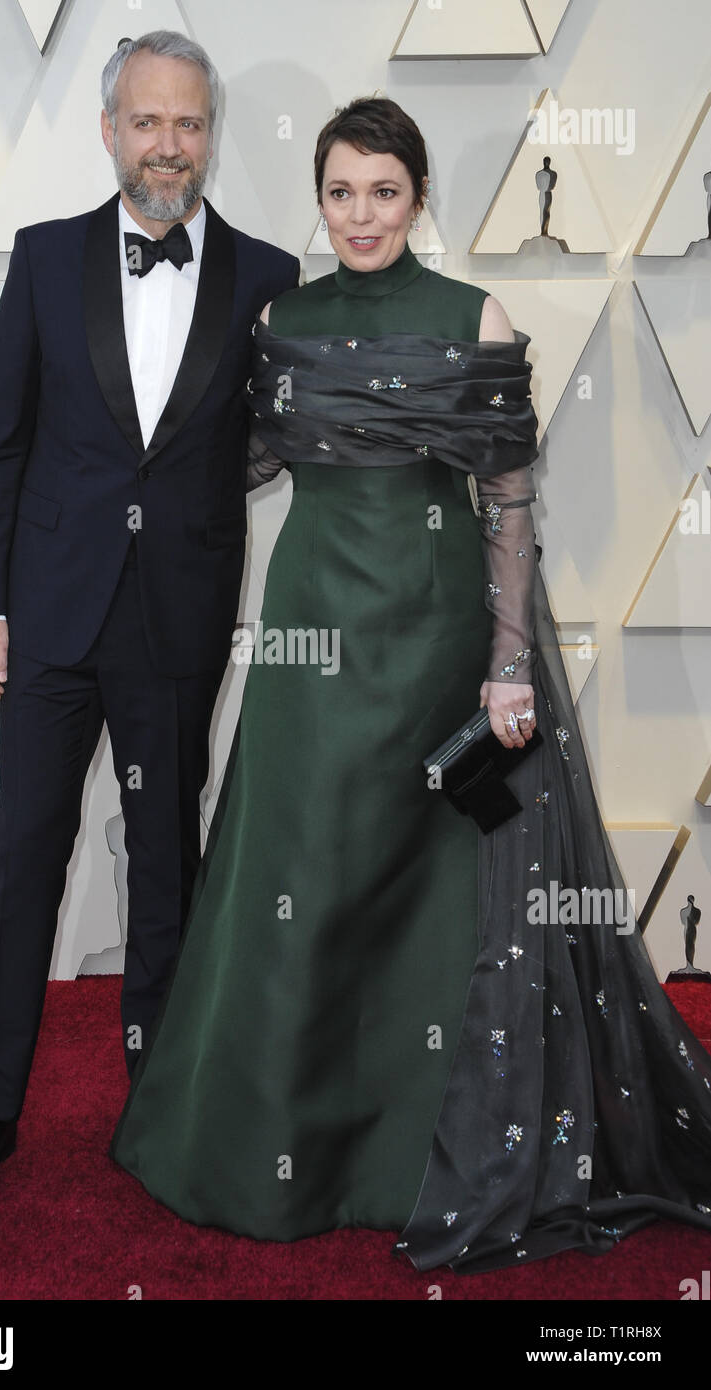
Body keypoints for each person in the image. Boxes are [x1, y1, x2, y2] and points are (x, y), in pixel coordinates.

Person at [110, 97, 711, 1272]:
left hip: (432, 634)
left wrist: (504, 664)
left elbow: (510, 503)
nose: (361, 214)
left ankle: (413, 1155)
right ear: (320, 200)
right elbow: (252, 459)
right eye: (341, 192)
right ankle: (283, 1150)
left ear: (418, 198)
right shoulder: (285, 314)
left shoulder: (470, 315)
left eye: (384, 191)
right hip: (309, 632)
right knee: (299, 872)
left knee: (428, 895)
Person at [0, 30, 299, 1217]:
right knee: (20, 866)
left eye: (188, 124)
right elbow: (1, 445)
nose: (167, 145)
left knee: (166, 875)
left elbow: (271, 443)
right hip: (47, 619)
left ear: (210, 135)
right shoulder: (42, 261)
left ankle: (163, 1108)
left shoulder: (267, 274)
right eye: (147, 122)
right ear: (109, 131)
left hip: (176, 624)